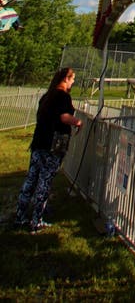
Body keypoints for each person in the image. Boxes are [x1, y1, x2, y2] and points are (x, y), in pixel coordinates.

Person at [15, 66, 82, 233]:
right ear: (66, 78)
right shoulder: (63, 97)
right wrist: (78, 122)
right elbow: (64, 117)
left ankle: (20, 215)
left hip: (39, 143)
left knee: (31, 179)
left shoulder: (47, 96)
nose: (73, 82)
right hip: (53, 145)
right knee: (44, 182)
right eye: (72, 79)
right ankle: (36, 220)